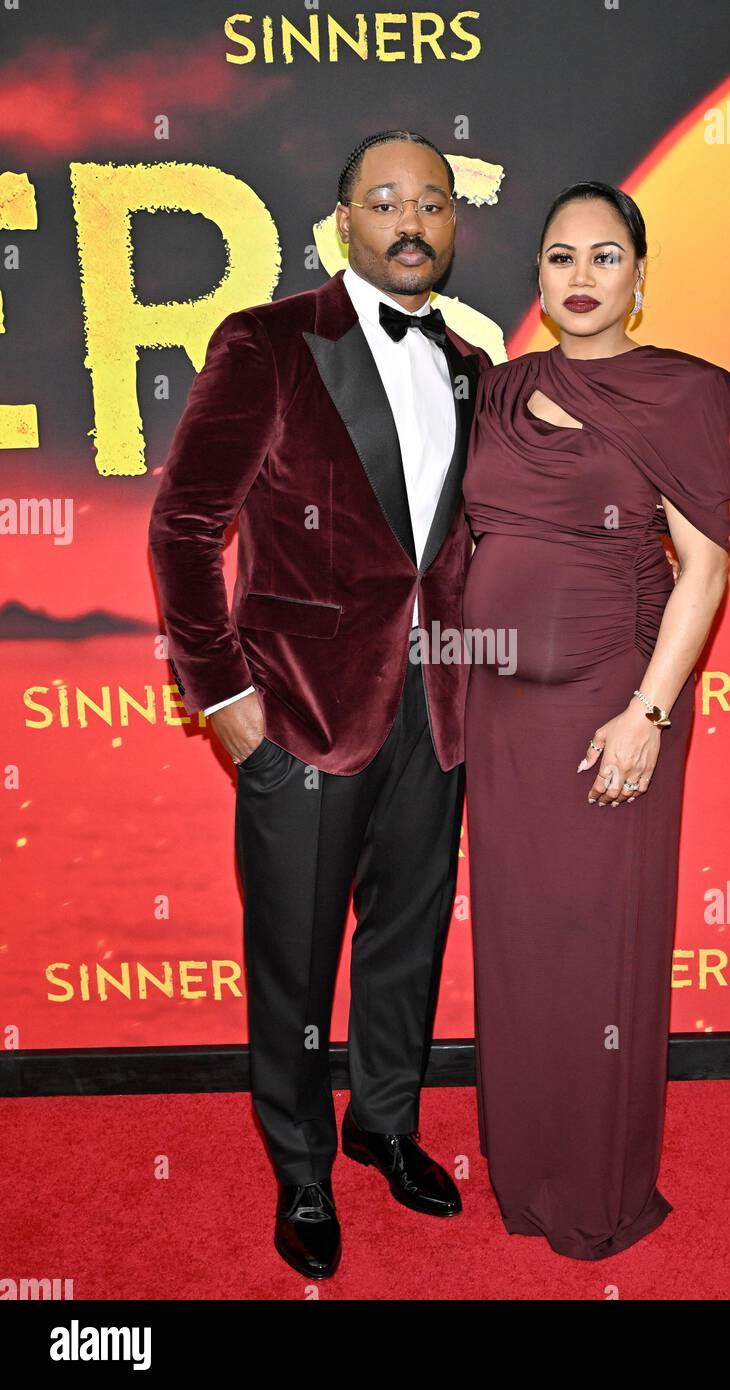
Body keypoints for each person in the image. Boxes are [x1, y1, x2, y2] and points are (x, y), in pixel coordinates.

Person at [148, 130, 493, 1280]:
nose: (411, 220)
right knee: (293, 958)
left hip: (434, 710)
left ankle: (383, 1123)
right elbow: (187, 525)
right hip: (297, 711)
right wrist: (222, 695)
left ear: (453, 224)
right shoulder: (267, 341)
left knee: (405, 941)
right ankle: (300, 1166)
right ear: (342, 219)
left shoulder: (466, 365)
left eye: (431, 203)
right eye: (384, 200)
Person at [461, 181, 730, 1260]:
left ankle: (598, 1190)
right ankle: (526, 1174)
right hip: (500, 717)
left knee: (600, 948)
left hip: (610, 707)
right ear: (537, 272)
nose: (581, 279)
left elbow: (704, 567)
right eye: (560, 257)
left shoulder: (683, 392)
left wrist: (647, 713)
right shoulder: (497, 390)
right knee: (524, 949)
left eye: (605, 257)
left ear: (640, 273)